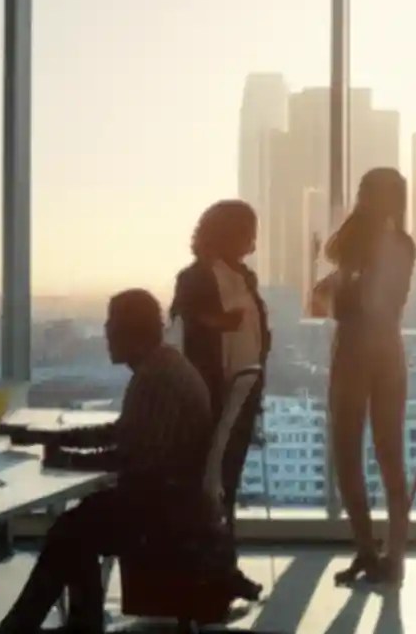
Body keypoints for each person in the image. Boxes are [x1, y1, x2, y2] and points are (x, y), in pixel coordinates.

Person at [0, 290, 215, 633]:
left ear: (130, 332)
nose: (106, 334)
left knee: (72, 530)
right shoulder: (162, 365)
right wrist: (56, 439)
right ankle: (72, 623)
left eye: (111, 326)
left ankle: (34, 626)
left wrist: (69, 461)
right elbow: (126, 434)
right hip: (174, 501)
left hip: (161, 509)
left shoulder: (155, 378)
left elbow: (133, 456)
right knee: (76, 526)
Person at [314, 167, 416, 586]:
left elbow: (340, 298)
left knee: (348, 452)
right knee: (389, 455)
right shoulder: (403, 244)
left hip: (356, 348)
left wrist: (334, 289)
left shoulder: (360, 243)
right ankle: (393, 556)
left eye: (365, 192)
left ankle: (367, 551)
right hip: (389, 349)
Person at [170, 199, 268, 601]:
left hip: (241, 394)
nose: (252, 241)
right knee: (212, 484)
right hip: (212, 395)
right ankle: (212, 573)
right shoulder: (195, 277)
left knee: (227, 483)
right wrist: (218, 323)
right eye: (246, 232)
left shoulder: (243, 277)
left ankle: (222, 569)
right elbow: (184, 318)